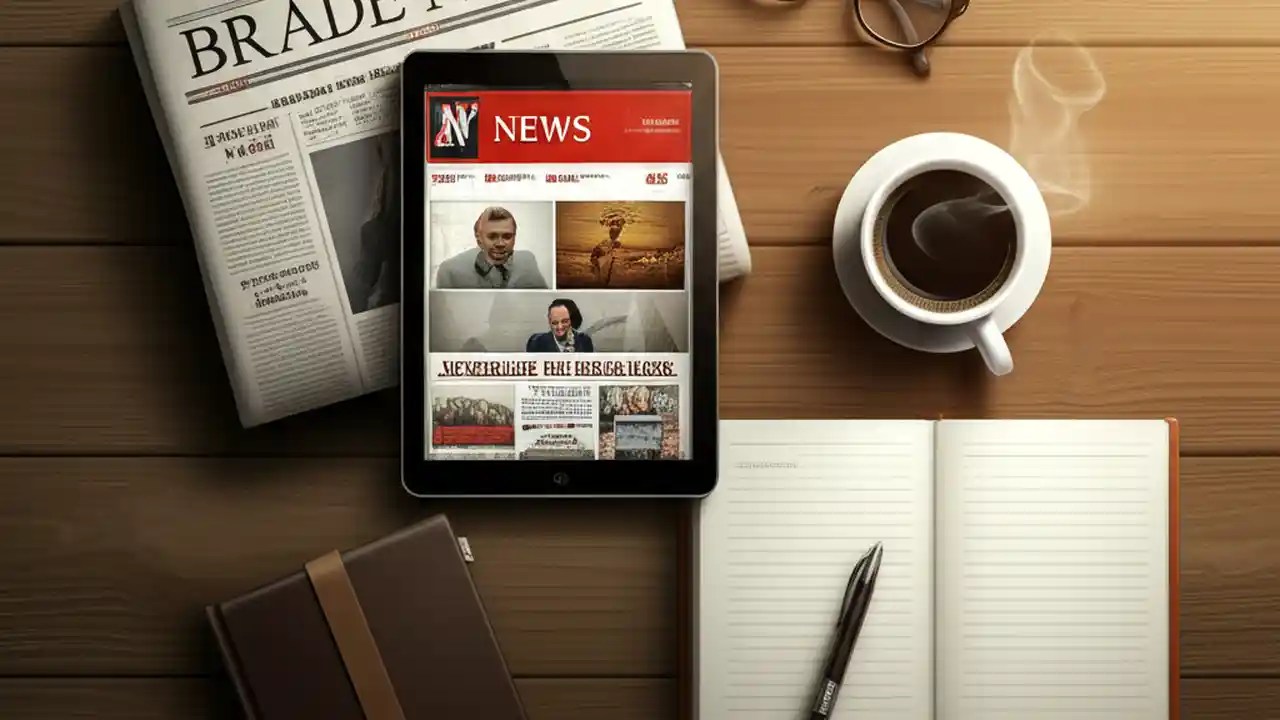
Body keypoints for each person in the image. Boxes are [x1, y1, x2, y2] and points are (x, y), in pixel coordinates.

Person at [436, 206, 548, 289]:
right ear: (478, 239)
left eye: (507, 236)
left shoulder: (527, 261)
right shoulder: (450, 271)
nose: (500, 243)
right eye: (492, 236)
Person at [526, 298, 595, 353]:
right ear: (549, 321)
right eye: (555, 323)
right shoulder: (536, 342)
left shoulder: (584, 341)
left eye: (564, 321)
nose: (560, 327)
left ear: (572, 320)